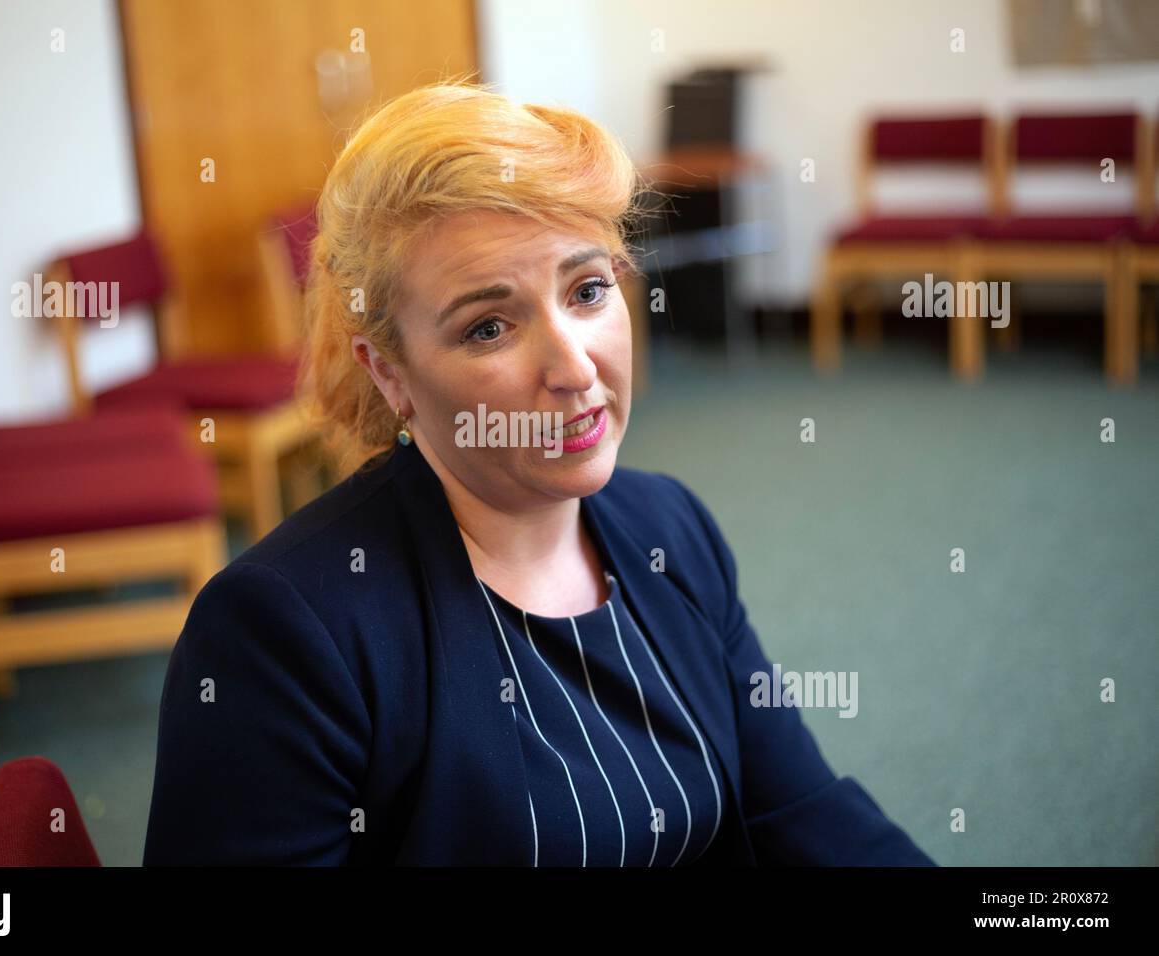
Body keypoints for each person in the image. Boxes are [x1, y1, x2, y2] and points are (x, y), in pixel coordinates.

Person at [142, 79, 935, 867]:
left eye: (588, 290)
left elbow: (800, 811)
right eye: (489, 327)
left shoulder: (670, 528)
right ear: (390, 373)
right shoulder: (284, 632)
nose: (573, 367)